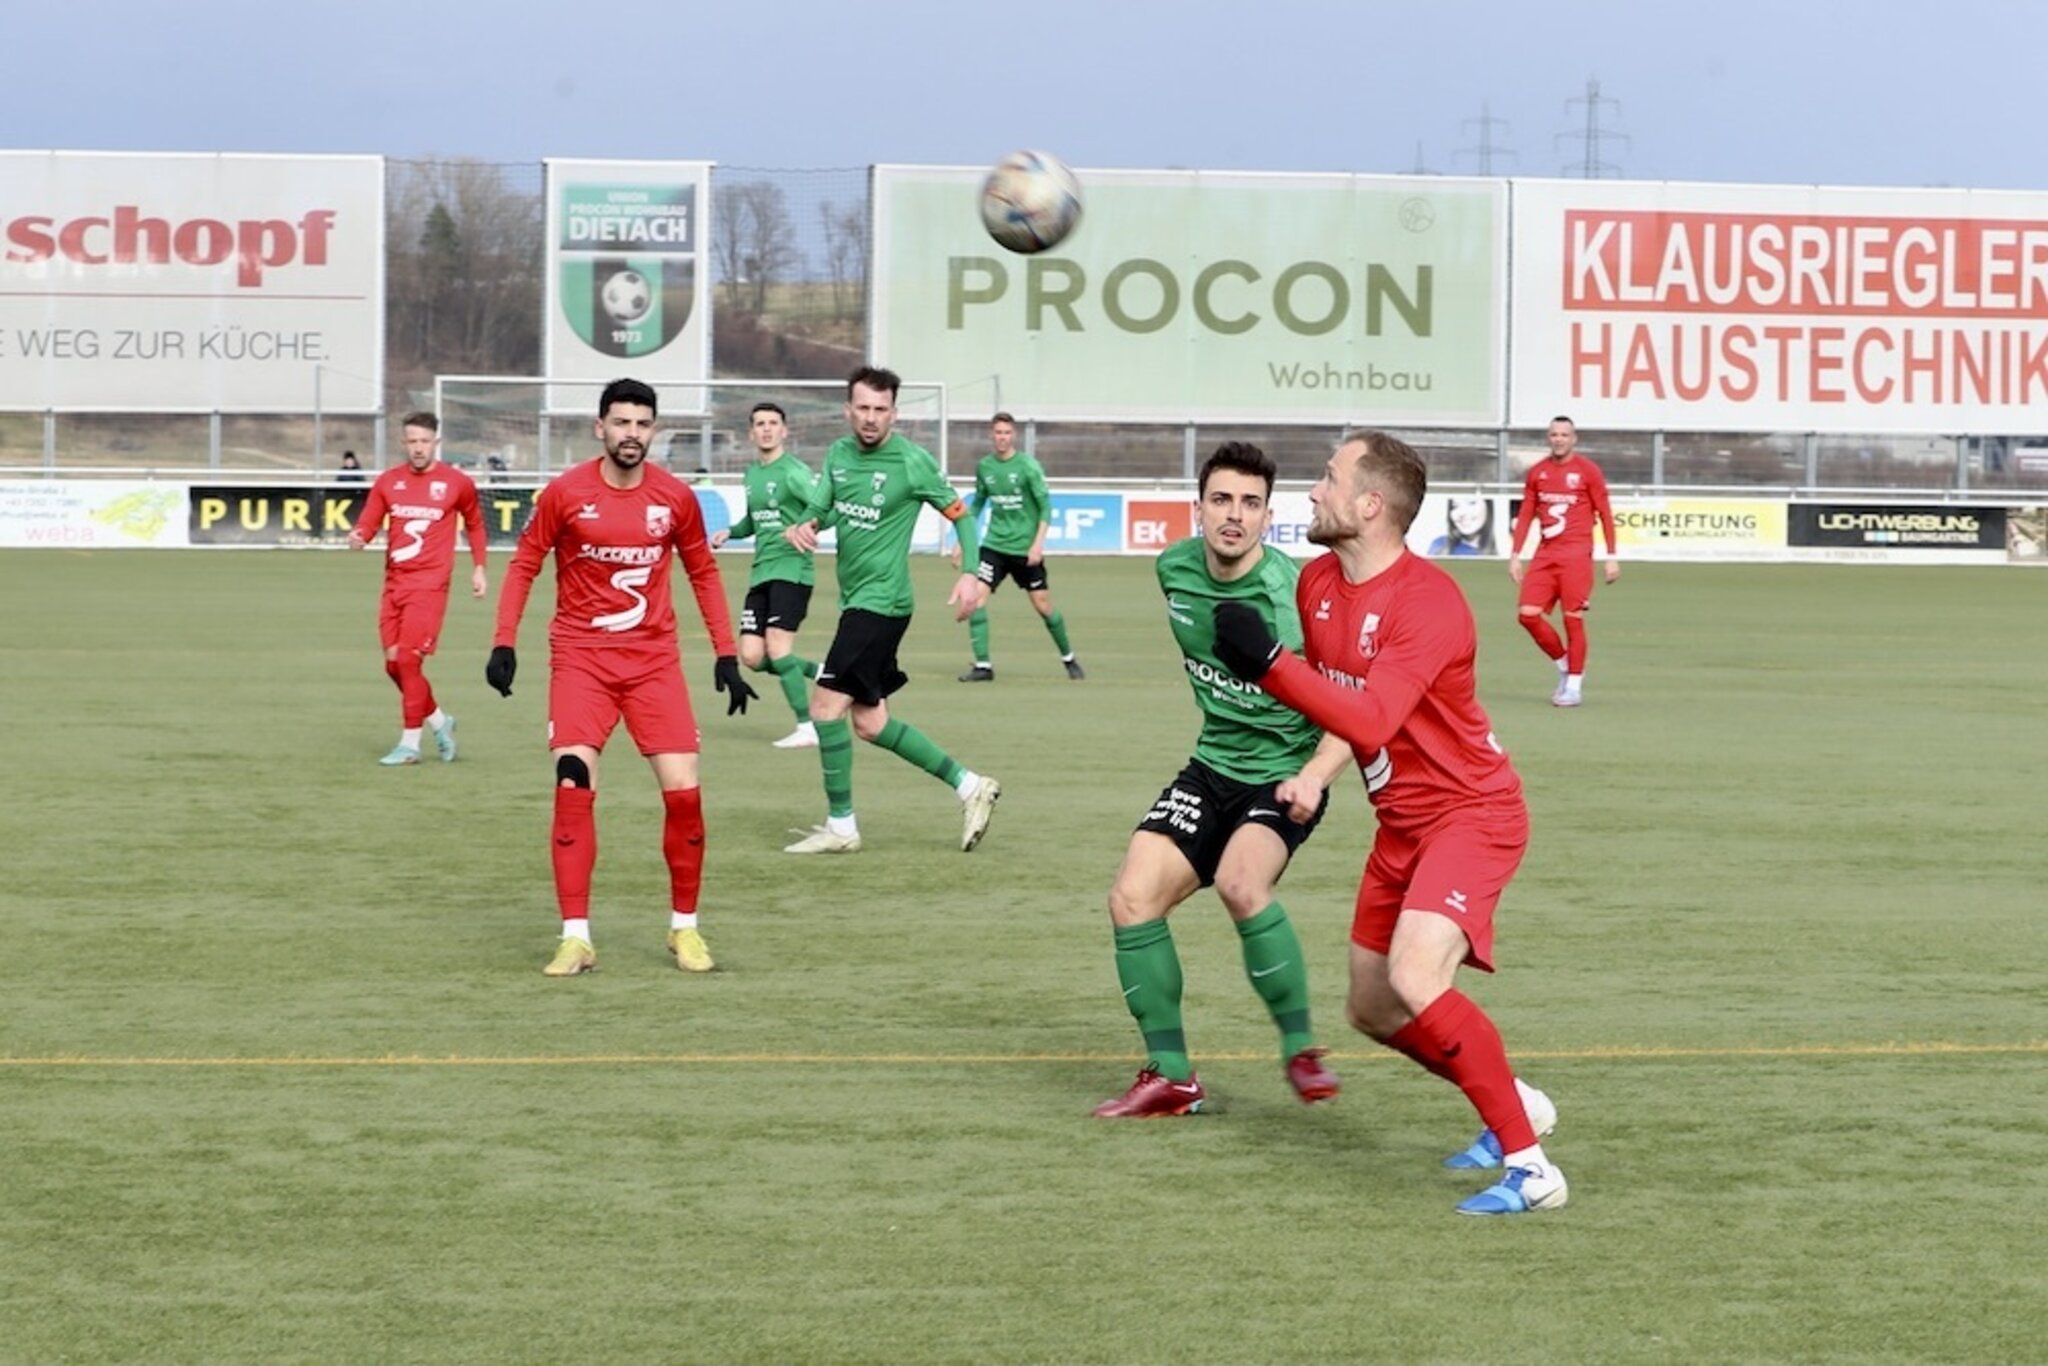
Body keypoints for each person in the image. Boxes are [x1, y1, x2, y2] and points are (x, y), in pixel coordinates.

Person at [1208, 429, 1564, 1216]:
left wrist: (1270, 664)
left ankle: (1533, 1170)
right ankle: (1514, 1100)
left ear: (1370, 505)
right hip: (1402, 825)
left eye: (1329, 479)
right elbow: (1349, 708)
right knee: (1371, 1008)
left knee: (1415, 975)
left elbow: (1371, 712)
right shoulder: (1319, 588)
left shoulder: (1430, 602)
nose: (1314, 492)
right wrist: (1311, 772)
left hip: (1473, 814)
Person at [1092, 441, 1341, 1118]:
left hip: (1283, 777)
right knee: (1130, 899)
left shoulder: (1293, 598)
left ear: (1268, 516)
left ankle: (1300, 1048)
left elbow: (1355, 708)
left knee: (1240, 883)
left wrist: (1316, 777)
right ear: (1197, 506)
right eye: (1222, 499)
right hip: (1210, 768)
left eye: (1251, 503)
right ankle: (1172, 1076)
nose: (1235, 515)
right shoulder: (1173, 568)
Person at [486, 378, 757, 977]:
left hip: (653, 663)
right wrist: (503, 641)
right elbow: (525, 563)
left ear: (653, 430)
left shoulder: (675, 498)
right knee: (571, 783)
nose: (630, 434)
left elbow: (704, 574)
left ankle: (684, 928)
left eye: (641, 424)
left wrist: (725, 654)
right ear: (599, 427)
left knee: (684, 792)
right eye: (621, 423)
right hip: (581, 660)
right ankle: (576, 937)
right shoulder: (564, 494)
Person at [780, 365, 1001, 855]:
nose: (871, 418)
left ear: (895, 414)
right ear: (848, 409)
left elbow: (960, 515)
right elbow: (823, 506)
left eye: (881, 410)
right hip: (856, 601)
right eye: (863, 408)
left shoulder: (912, 462)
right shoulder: (838, 454)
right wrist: (805, 524)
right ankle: (971, 786)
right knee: (871, 722)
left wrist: (972, 572)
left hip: (882, 604)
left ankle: (842, 828)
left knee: (823, 706)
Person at [346, 412, 487, 765]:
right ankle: (440, 721)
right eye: (412, 441)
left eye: (425, 441)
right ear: (403, 443)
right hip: (394, 585)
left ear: (436, 442)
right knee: (394, 667)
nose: (419, 448)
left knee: (408, 661)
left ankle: (410, 745)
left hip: (430, 586)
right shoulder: (388, 482)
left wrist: (479, 568)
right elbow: (369, 521)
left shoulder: (456, 483)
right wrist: (359, 536)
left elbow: (475, 524)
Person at [710, 401, 824, 749]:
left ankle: (809, 726)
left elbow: (824, 506)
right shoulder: (752, 474)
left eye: (773, 423)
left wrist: (805, 526)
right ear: (751, 432)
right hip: (761, 573)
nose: (766, 429)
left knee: (777, 648)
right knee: (752, 657)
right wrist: (730, 531)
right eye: (760, 423)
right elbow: (754, 520)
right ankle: (823, 674)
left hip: (792, 570)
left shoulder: (794, 472)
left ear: (784, 430)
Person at [950, 412, 1084, 682]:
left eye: (1007, 433)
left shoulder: (1028, 467)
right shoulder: (985, 467)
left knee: (1043, 607)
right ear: (992, 434)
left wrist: (1037, 545)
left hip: (1025, 550)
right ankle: (983, 666)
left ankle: (1068, 658)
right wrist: (962, 541)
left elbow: (1046, 508)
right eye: (998, 432)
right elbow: (977, 504)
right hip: (994, 546)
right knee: (975, 598)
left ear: (1014, 435)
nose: (1002, 437)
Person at [1507, 416, 1618, 707]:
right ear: (1549, 438)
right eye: (1554, 434)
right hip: (1545, 555)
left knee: (1573, 620)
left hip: (1576, 557)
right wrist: (1516, 555)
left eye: (1564, 434)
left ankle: (1574, 687)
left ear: (1574, 438)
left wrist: (1611, 557)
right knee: (1527, 614)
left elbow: (1605, 513)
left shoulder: (1587, 471)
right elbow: (1527, 514)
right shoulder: (1538, 473)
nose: (1559, 439)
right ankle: (1564, 664)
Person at [1427, 494, 1494, 556]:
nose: (1461, 513)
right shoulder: (1440, 545)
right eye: (1455, 506)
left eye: (1471, 502)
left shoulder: (1498, 551)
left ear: (1488, 506)